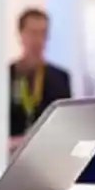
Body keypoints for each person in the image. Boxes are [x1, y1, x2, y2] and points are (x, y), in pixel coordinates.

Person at [8, 8, 71, 150]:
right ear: (21, 34)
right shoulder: (7, 76)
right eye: (33, 33)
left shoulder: (60, 78)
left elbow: (66, 124)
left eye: (43, 33)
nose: (38, 40)